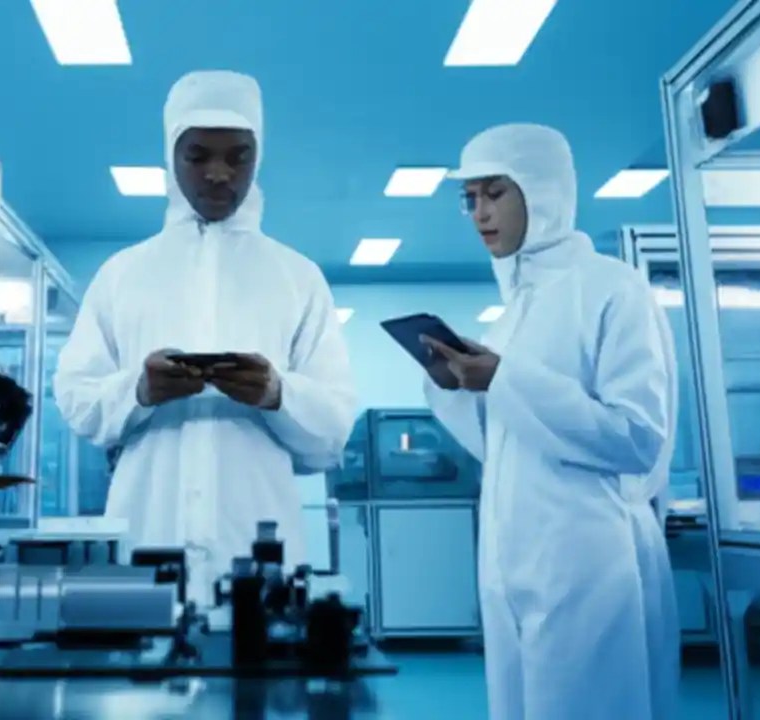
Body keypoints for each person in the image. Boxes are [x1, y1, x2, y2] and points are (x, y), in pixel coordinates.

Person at [52, 70, 357, 603]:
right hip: (146, 536)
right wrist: (139, 391)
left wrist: (277, 394)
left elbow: (332, 432)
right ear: (171, 158)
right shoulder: (123, 274)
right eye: (198, 156)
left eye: (238, 156)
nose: (219, 174)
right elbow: (77, 401)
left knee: (260, 680)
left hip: (261, 547)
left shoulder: (297, 276)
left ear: (258, 159)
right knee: (141, 681)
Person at [419, 123, 680, 720]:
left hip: (587, 564)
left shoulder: (612, 288)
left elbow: (637, 438)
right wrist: (456, 389)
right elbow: (509, 443)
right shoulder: (515, 311)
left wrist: (504, 379)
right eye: (470, 199)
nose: (479, 213)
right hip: (512, 566)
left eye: (494, 193)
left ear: (543, 192)